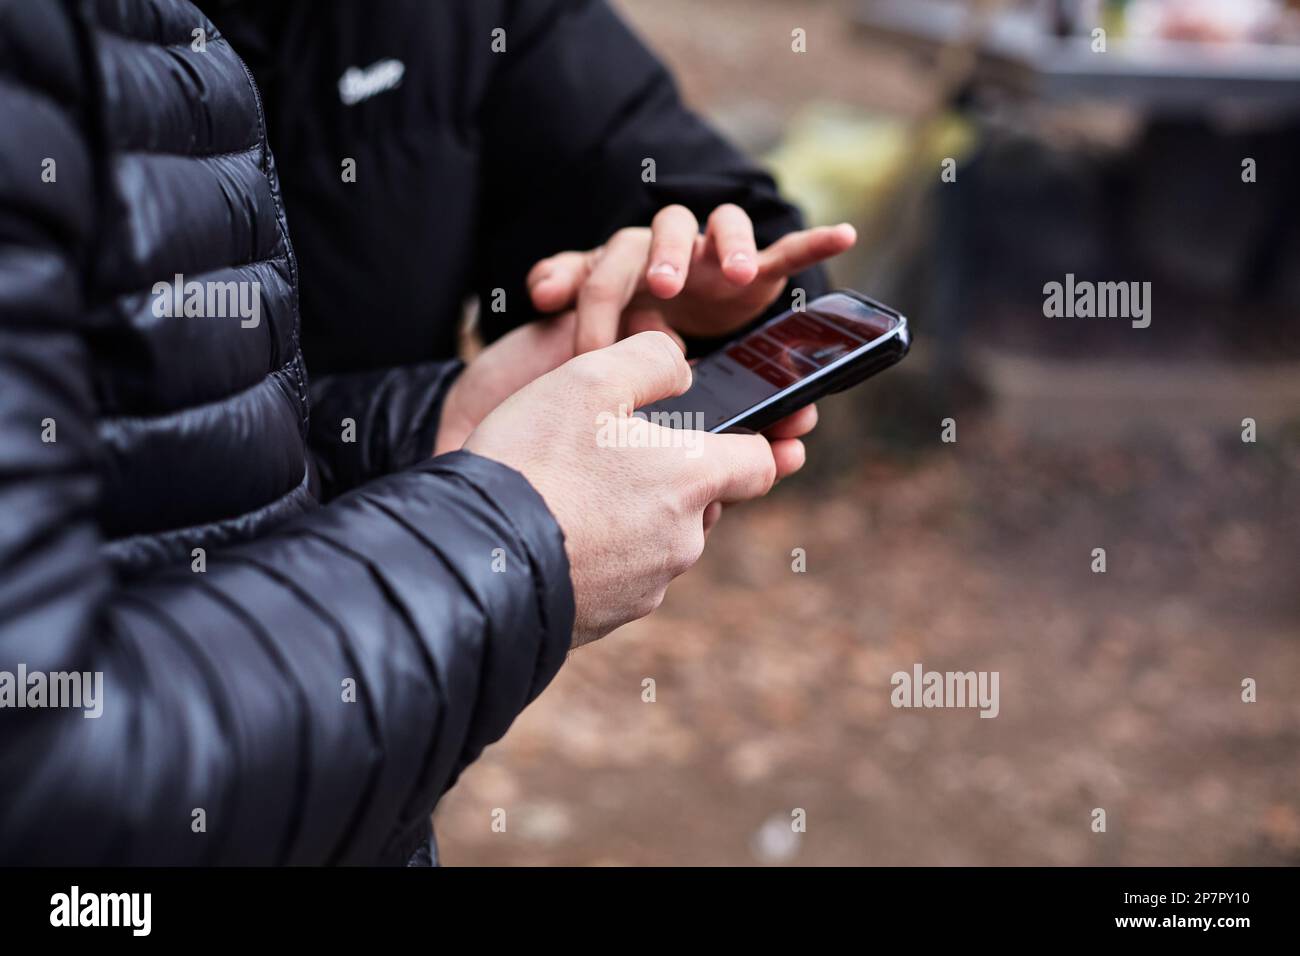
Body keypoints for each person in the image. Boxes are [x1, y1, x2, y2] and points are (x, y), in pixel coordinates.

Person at [0, 0, 851, 865]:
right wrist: (515, 538)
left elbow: (185, 486)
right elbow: (46, 769)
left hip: (361, 752)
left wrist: (430, 427)